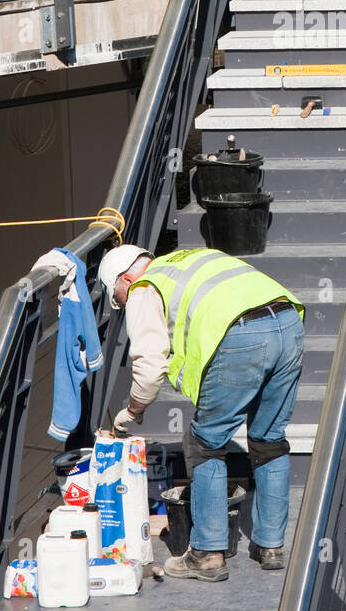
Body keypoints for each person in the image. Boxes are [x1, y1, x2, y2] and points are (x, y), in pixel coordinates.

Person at [98, 243, 305, 582]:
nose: (121, 304)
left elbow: (149, 367)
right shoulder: (189, 258)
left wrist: (132, 410)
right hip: (288, 321)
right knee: (269, 440)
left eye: (117, 297)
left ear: (124, 279)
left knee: (204, 443)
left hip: (241, 335)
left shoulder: (144, 287)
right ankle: (271, 546)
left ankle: (207, 555)